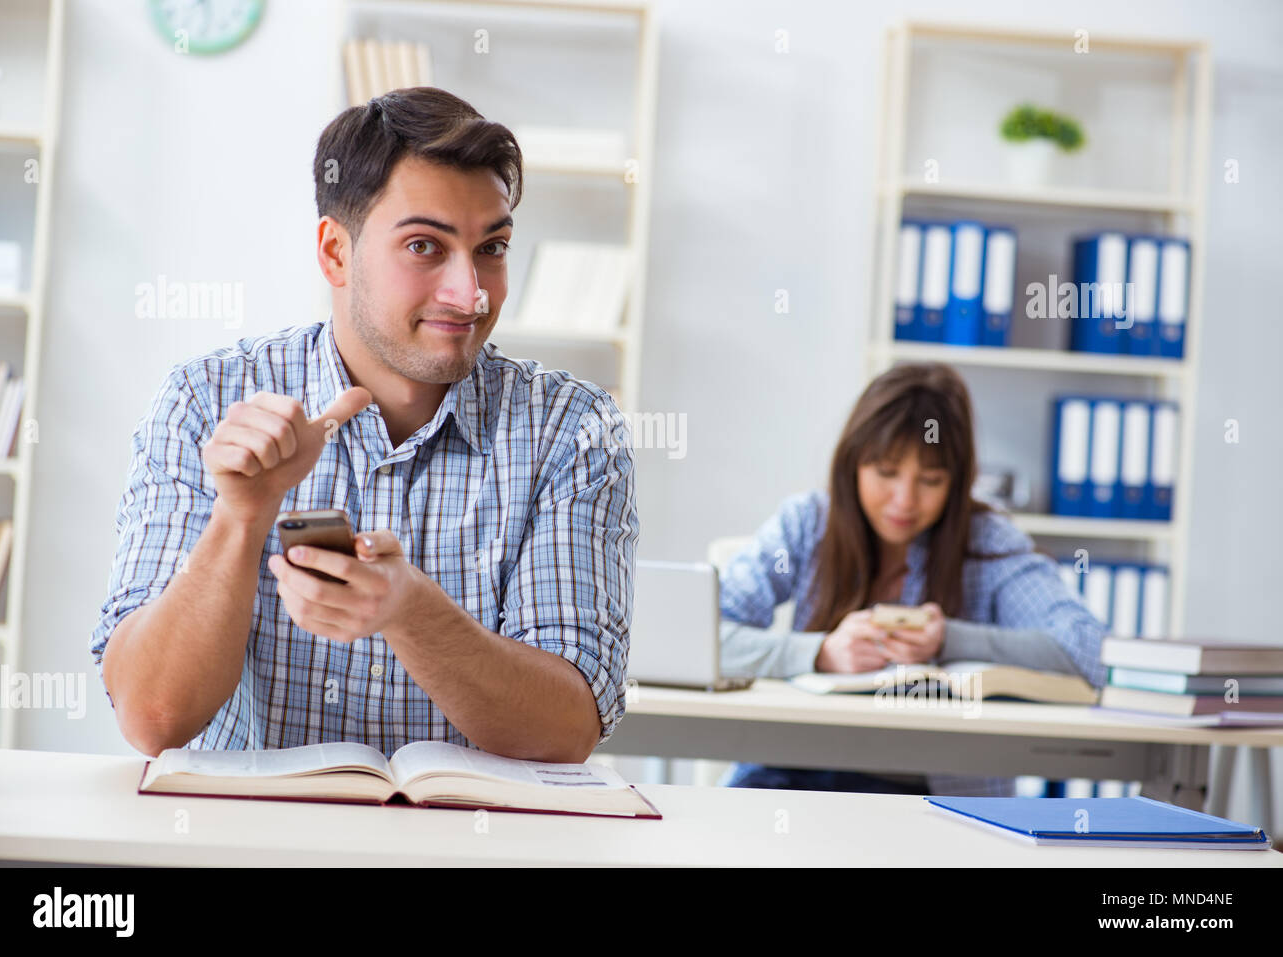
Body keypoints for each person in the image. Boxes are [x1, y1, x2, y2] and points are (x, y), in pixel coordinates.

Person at [90, 88, 639, 763]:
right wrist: (241, 517)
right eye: (423, 246)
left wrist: (411, 611)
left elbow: (566, 729)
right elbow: (153, 717)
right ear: (335, 253)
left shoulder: (573, 429)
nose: (470, 292)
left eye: (491, 248)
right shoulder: (204, 401)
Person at [716, 362, 1106, 794]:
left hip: (926, 786)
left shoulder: (988, 541)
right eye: (886, 473)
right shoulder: (807, 523)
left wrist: (949, 641)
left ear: (957, 484)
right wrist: (818, 652)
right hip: (792, 771)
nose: (904, 500)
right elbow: (703, 638)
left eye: (931, 480)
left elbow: (1087, 650)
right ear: (853, 464)